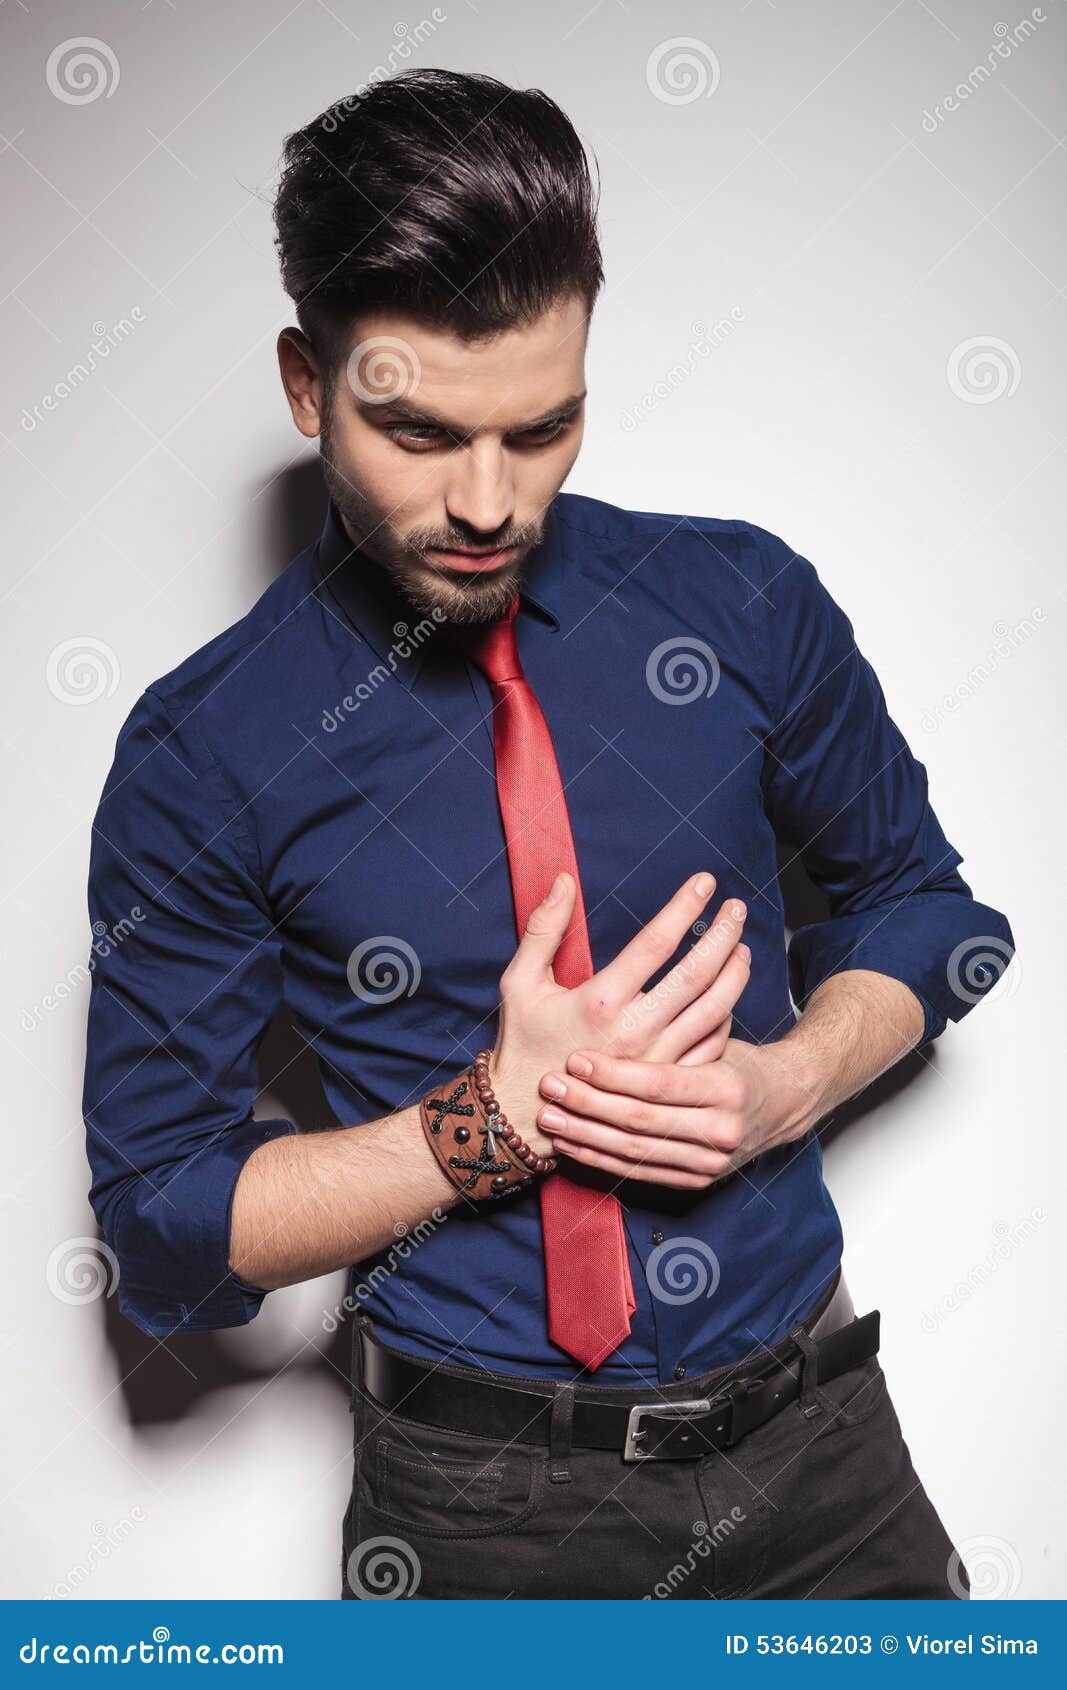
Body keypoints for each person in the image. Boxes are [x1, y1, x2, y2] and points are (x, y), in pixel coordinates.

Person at [82, 69, 1013, 1601]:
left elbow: (931, 911)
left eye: (544, 424)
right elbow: (164, 1223)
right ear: (308, 386)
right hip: (482, 1508)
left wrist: (789, 1082)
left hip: (826, 1456)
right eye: (419, 430)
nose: (488, 502)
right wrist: (483, 1126)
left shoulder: (745, 608)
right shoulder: (210, 752)